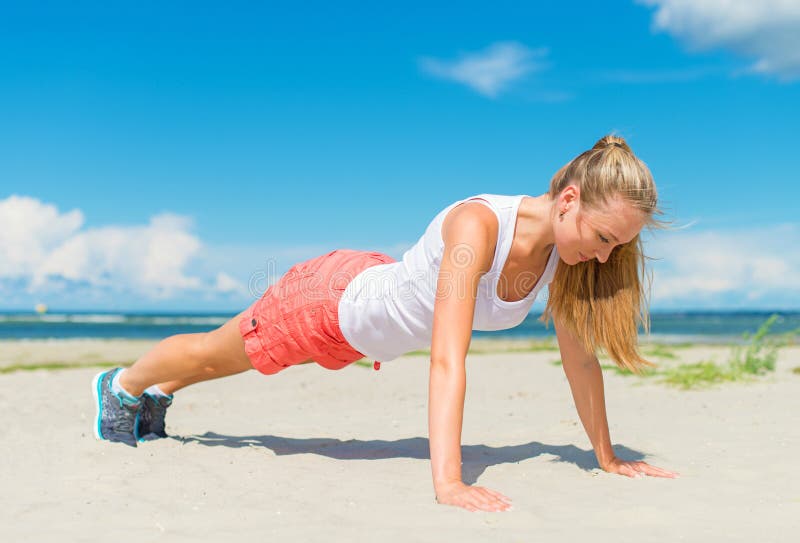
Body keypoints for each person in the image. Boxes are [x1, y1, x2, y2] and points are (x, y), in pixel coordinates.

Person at [92, 134, 678, 513]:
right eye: (604, 238)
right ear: (570, 199)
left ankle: (158, 393)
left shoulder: (564, 256)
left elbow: (578, 358)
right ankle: (124, 386)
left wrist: (607, 457)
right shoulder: (478, 227)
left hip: (367, 319)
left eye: (616, 246)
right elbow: (448, 358)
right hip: (326, 304)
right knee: (211, 356)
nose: (605, 256)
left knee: (219, 362)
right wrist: (448, 483)